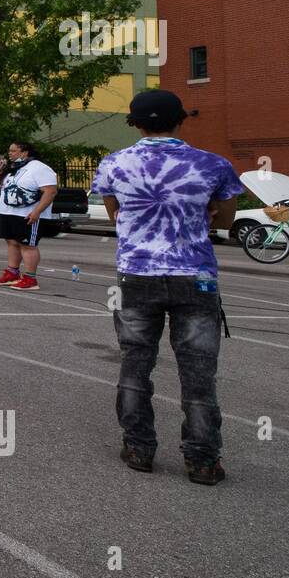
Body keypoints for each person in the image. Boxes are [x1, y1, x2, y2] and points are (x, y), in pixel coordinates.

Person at [93, 90, 244, 486]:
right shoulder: (213, 164)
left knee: (135, 365)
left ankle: (139, 447)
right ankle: (202, 460)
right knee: (198, 374)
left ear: (136, 123)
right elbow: (225, 219)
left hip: (136, 274)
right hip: (194, 275)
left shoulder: (114, 164)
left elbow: (116, 215)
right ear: (182, 120)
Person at [0, 140, 58, 291]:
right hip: (8, 211)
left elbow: (50, 191)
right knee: (12, 242)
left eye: (13, 151)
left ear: (25, 152)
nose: (10, 153)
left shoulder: (39, 168)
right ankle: (12, 273)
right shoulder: (13, 168)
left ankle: (30, 278)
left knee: (27, 245)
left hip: (27, 213)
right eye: (9, 151)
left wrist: (37, 212)